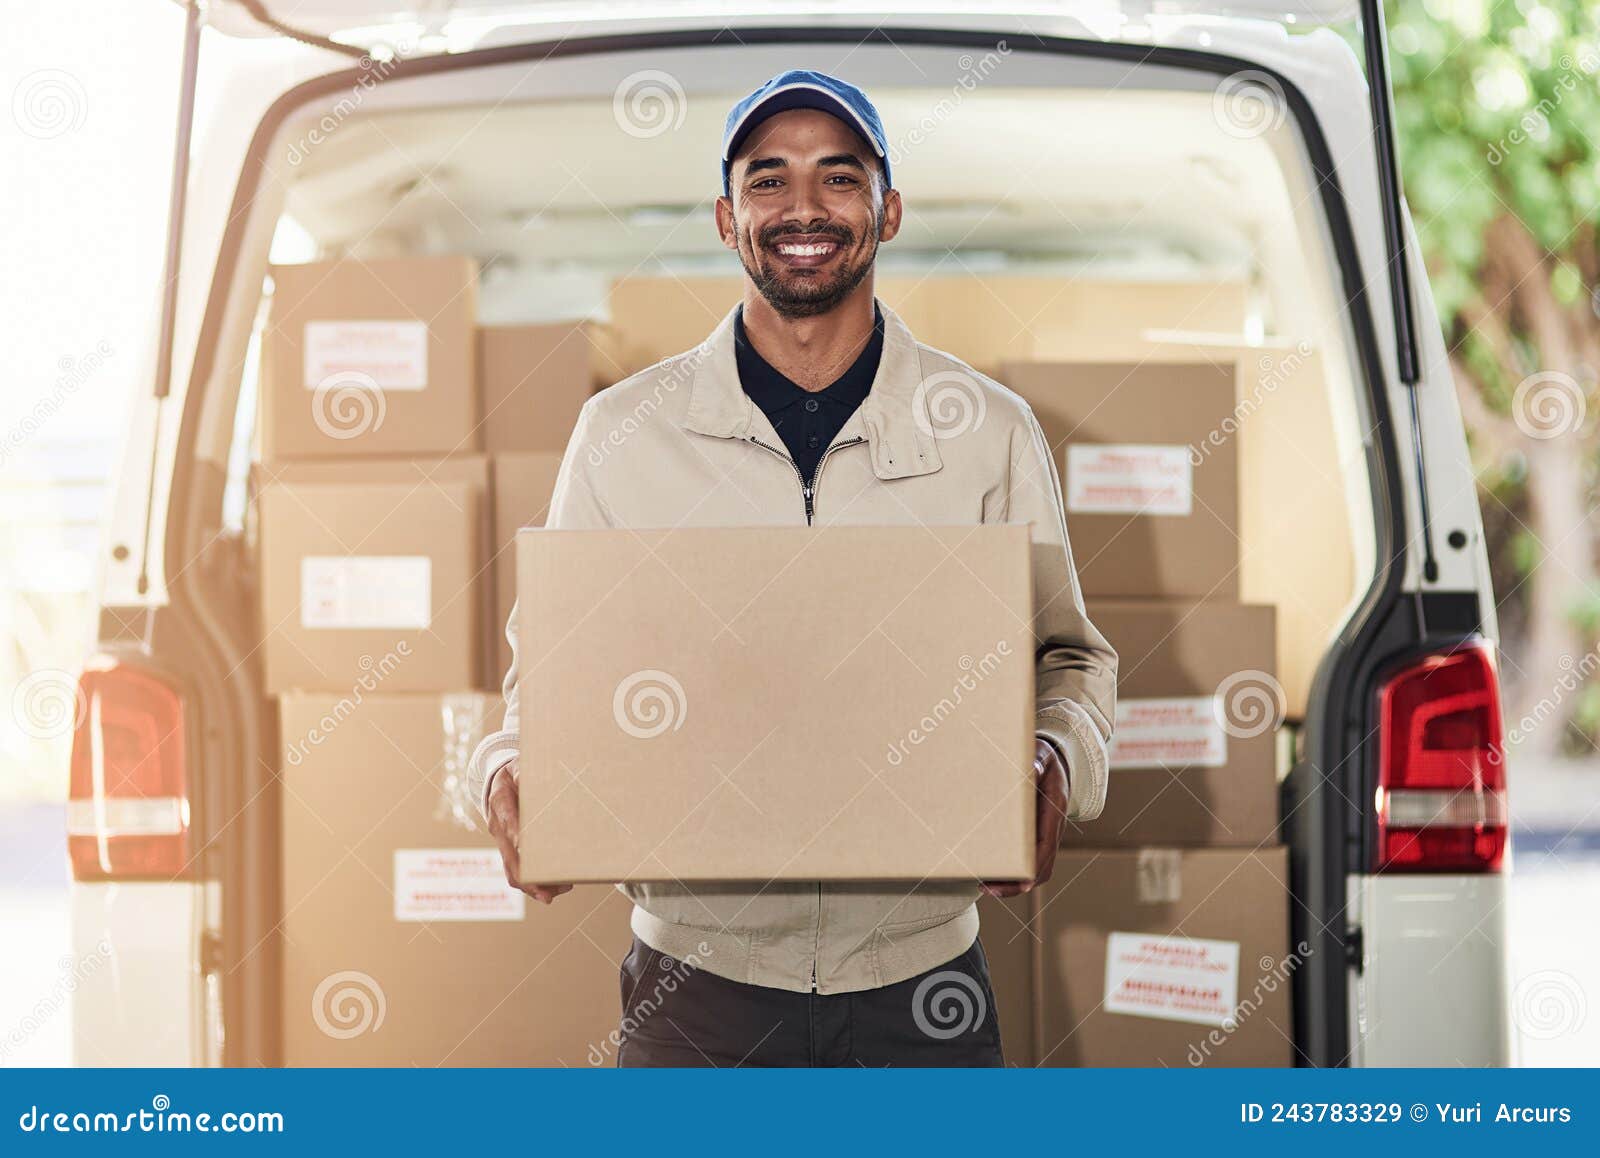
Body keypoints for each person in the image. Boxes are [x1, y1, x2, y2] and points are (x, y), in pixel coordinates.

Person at [468, 68, 1117, 1067]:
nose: (802, 208)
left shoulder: (984, 431)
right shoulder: (624, 433)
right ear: (726, 218)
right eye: (768, 181)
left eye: (838, 177)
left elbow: (1068, 661)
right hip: (693, 984)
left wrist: (1052, 762)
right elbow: (546, 684)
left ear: (887, 210)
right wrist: (506, 774)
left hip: (919, 976)